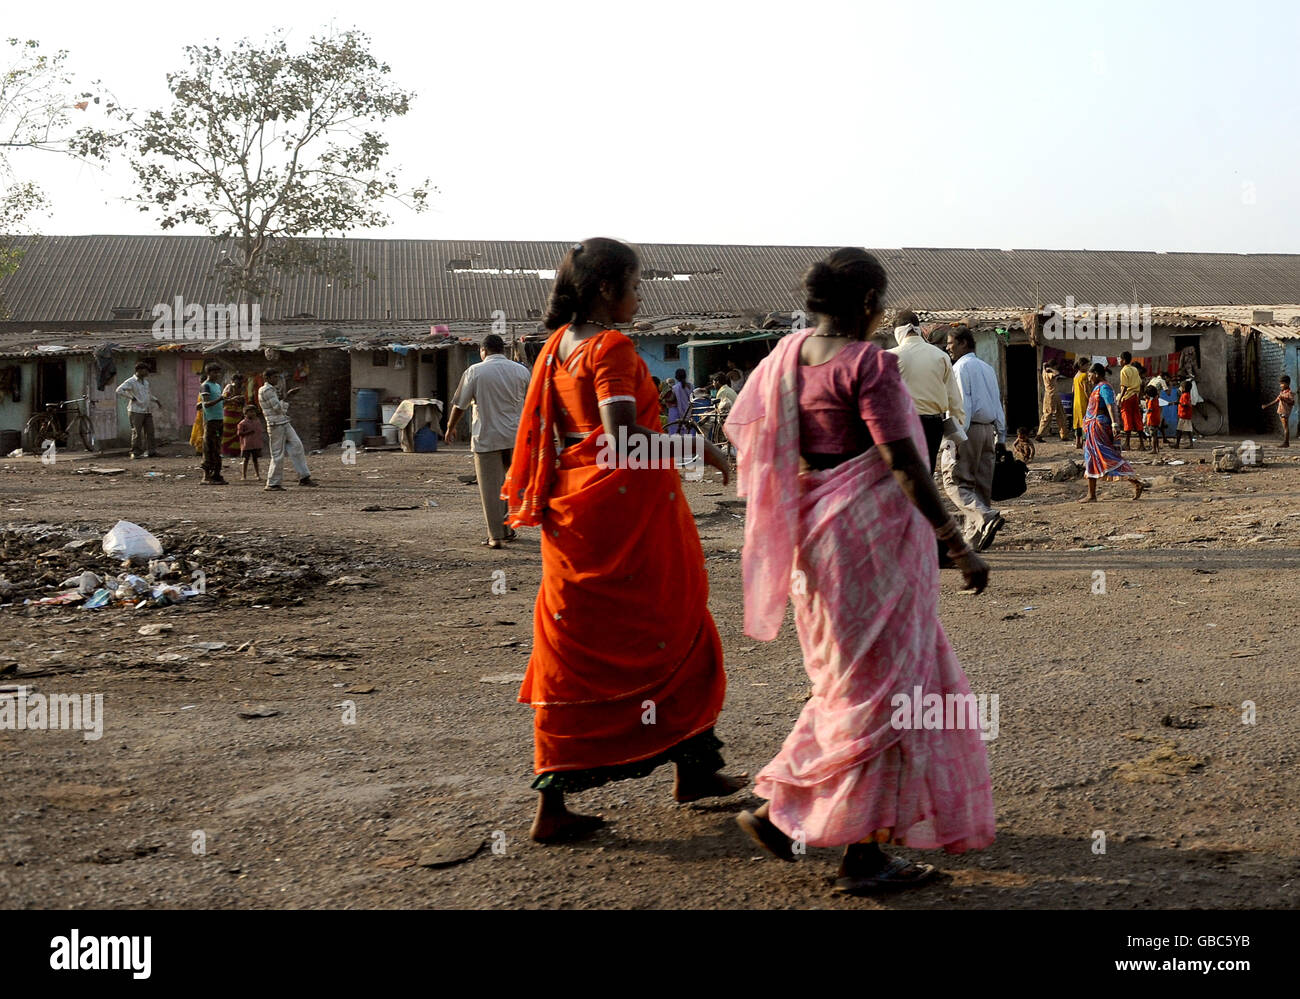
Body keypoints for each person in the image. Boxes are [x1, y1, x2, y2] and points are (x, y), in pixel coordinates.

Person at [725, 247, 994, 894]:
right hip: (871, 547)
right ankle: (815, 828)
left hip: (813, 543)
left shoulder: (786, 360)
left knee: (853, 686)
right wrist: (957, 544)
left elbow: (749, 437)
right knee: (885, 694)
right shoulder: (868, 364)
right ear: (869, 303)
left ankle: (815, 826)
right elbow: (904, 461)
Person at [503, 237, 740, 844]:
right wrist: (700, 450)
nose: (640, 296)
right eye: (635, 285)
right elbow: (623, 440)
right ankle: (554, 807)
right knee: (677, 629)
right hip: (622, 519)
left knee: (577, 654)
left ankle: (693, 769)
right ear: (607, 290)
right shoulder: (608, 347)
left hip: (580, 516)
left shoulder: (556, 348)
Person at [445, 333, 532, 548]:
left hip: (487, 438)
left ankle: (495, 536)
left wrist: (450, 427)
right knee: (510, 484)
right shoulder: (521, 371)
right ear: (502, 349)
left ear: (483, 351)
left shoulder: (475, 371)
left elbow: (460, 405)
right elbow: (532, 403)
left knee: (490, 488)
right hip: (516, 436)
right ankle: (509, 529)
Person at [942, 327, 1007, 551]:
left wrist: (956, 438)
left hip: (967, 431)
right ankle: (975, 541)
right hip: (988, 431)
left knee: (954, 482)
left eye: (950, 343)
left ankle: (985, 516)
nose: (947, 347)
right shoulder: (987, 368)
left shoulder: (960, 368)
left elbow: (963, 406)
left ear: (963, 343)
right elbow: (998, 403)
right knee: (980, 487)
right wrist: (1001, 436)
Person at [887, 307, 965, 470]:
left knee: (903, 475)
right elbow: (954, 398)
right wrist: (958, 430)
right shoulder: (940, 356)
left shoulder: (890, 357)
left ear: (898, 332)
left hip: (902, 424)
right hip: (933, 425)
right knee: (925, 472)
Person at [1080, 363, 1144, 501]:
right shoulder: (1097, 387)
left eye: (1090, 375)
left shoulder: (1104, 387)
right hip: (1093, 426)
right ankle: (1091, 494)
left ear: (1096, 374)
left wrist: (1115, 423)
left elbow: (1110, 405)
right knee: (1091, 457)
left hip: (1100, 425)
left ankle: (1135, 482)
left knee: (1107, 456)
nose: (1089, 378)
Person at [257, 368, 317, 491]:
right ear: (267, 378)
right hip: (275, 424)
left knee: (297, 446)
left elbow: (279, 408)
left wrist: (285, 398)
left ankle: (304, 477)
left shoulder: (272, 390)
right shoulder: (267, 390)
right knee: (277, 454)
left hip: (283, 422)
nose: (276, 380)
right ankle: (273, 483)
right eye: (274, 377)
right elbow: (277, 408)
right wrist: (287, 397)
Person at [115, 362, 162, 459]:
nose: (147, 372)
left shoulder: (145, 382)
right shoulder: (131, 381)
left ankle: (151, 451)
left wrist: (156, 400)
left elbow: (148, 394)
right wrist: (131, 397)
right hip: (136, 410)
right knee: (137, 432)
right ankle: (135, 452)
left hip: (147, 410)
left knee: (150, 432)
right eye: (145, 370)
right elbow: (119, 390)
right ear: (139, 371)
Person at [196, 363, 228, 485]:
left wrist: (227, 400)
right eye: (215, 372)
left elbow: (220, 403)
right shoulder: (205, 386)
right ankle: (206, 476)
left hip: (219, 419)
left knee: (217, 448)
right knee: (209, 447)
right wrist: (221, 399)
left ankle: (216, 474)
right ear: (209, 373)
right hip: (210, 421)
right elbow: (207, 404)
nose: (217, 375)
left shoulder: (217, 386)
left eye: (218, 372)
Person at [1035, 361, 1070, 443]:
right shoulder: (1049, 373)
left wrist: (1045, 367)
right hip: (1050, 396)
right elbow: (1057, 373)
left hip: (1055, 396)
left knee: (1061, 415)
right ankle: (1040, 434)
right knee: (1047, 415)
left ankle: (1064, 435)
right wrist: (1050, 369)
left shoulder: (1045, 371)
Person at [1118, 351, 1145, 451]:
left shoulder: (1124, 371)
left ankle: (1127, 444)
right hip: (1135, 396)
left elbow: (1124, 387)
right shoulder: (1134, 369)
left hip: (1127, 396)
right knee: (1137, 418)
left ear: (1124, 360)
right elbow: (1140, 383)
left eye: (1120, 359)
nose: (1119, 361)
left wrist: (1120, 399)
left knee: (1127, 419)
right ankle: (1142, 444)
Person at [1261, 375, 1294, 448]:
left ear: (1287, 383)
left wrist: (1284, 399)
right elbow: (1276, 400)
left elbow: (1292, 402)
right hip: (1281, 411)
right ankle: (1286, 442)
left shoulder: (1289, 393)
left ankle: (1286, 443)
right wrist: (1266, 405)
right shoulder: (1282, 392)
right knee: (1284, 427)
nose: (1280, 385)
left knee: (1285, 427)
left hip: (1285, 412)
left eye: (1282, 383)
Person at [221, 373, 247, 459]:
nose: (239, 383)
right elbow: (223, 401)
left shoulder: (243, 388)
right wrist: (233, 399)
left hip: (238, 413)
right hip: (229, 413)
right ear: (232, 381)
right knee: (227, 433)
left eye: (240, 381)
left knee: (237, 433)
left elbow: (244, 402)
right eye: (237, 381)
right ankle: (226, 451)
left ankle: (235, 451)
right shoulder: (229, 388)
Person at [237, 405, 265, 481]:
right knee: (245, 460)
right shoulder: (242, 423)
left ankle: (258, 475)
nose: (253, 414)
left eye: (254, 412)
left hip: (256, 444)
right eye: (251, 412)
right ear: (245, 414)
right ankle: (244, 475)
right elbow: (239, 433)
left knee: (255, 460)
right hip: (247, 445)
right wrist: (248, 432)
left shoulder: (257, 421)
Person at [1071, 357, 1090, 449]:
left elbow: (1073, 390)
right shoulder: (1084, 375)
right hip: (1083, 402)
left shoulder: (1076, 376)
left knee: (1077, 423)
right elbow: (1086, 390)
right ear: (1082, 365)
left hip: (1076, 403)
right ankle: (1085, 443)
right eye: (1087, 365)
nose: (1088, 367)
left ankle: (1077, 443)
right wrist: (1090, 399)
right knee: (1085, 422)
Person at [666, 367, 693, 433]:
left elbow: (672, 399)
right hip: (689, 411)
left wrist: (664, 399)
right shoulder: (691, 386)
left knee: (677, 430)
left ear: (676, 377)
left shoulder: (676, 388)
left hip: (679, 412)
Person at [1174, 380, 1196, 449]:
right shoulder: (1186, 395)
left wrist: (1179, 403)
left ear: (1184, 388)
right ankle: (1190, 444)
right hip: (1185, 415)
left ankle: (1177, 444)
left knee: (1180, 430)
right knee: (1187, 430)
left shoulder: (1185, 395)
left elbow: (1186, 404)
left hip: (1184, 415)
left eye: (1181, 387)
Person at [1143, 386, 1162, 457]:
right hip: (1156, 419)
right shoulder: (1156, 399)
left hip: (1152, 420)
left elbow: (1150, 409)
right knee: (1155, 435)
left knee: (1153, 435)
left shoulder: (1151, 401)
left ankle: (1154, 449)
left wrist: (1144, 410)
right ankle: (1157, 448)